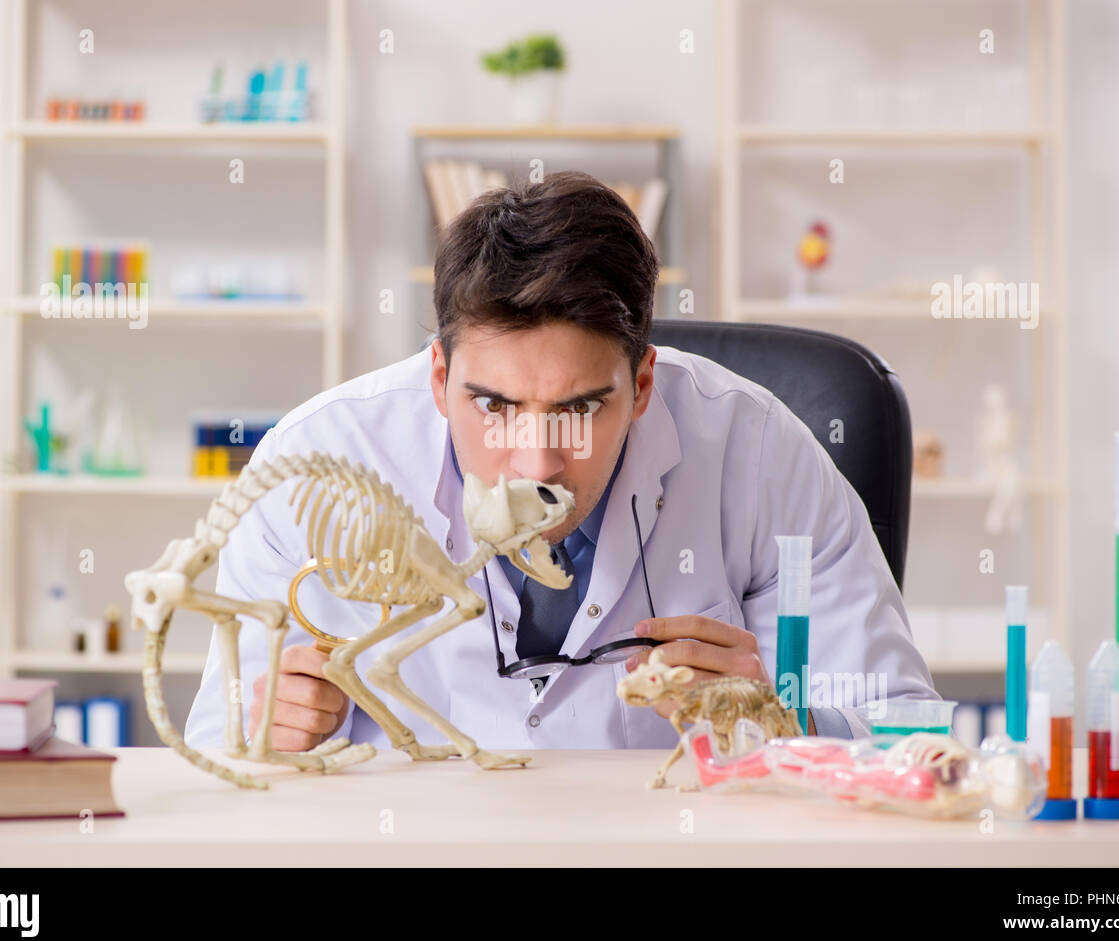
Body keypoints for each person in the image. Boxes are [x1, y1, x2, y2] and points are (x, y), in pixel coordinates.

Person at [184, 170, 937, 754]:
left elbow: (911, 737)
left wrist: (791, 716)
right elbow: (217, 752)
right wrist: (261, 731)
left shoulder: (762, 455)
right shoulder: (314, 462)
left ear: (642, 385)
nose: (537, 463)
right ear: (440, 379)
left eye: (579, 408)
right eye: (495, 405)